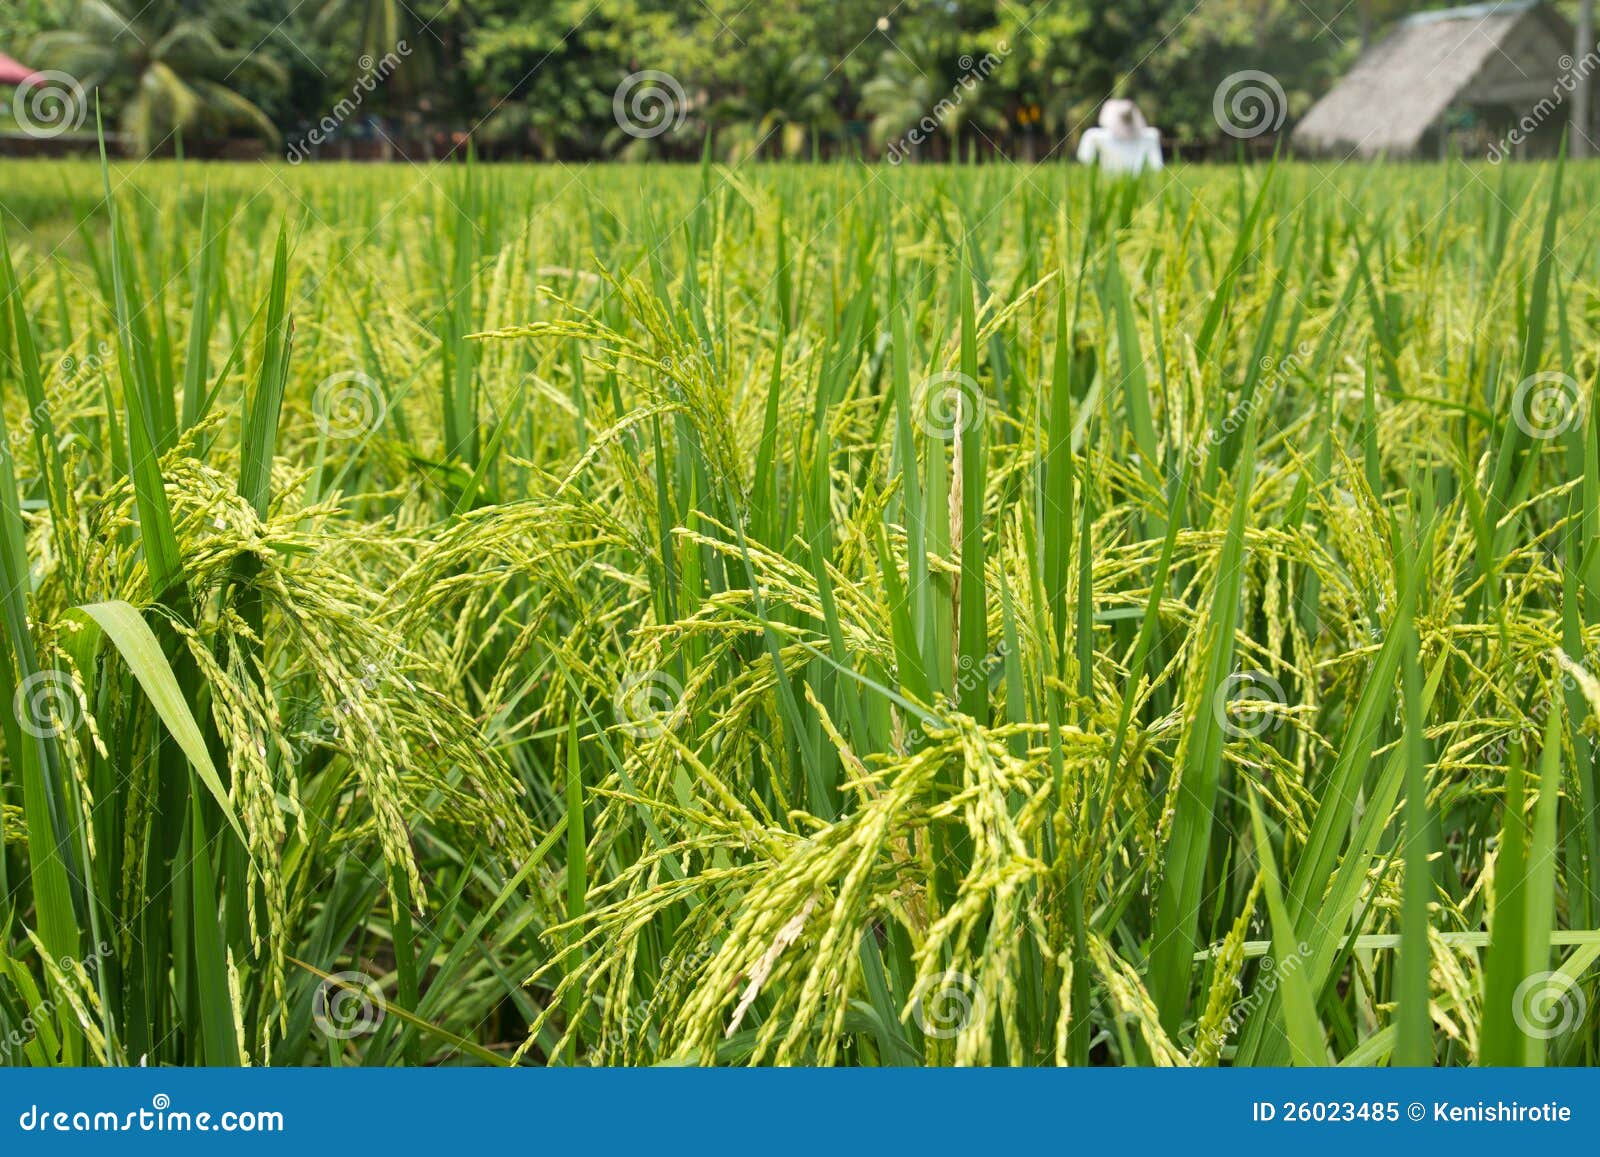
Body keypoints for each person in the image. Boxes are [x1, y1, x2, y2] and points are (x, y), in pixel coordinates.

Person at [1077, 99, 1164, 174]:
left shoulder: (1097, 135)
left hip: (1112, 180)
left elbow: (1084, 158)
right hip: (1127, 181)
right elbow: (1156, 166)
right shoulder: (1150, 136)